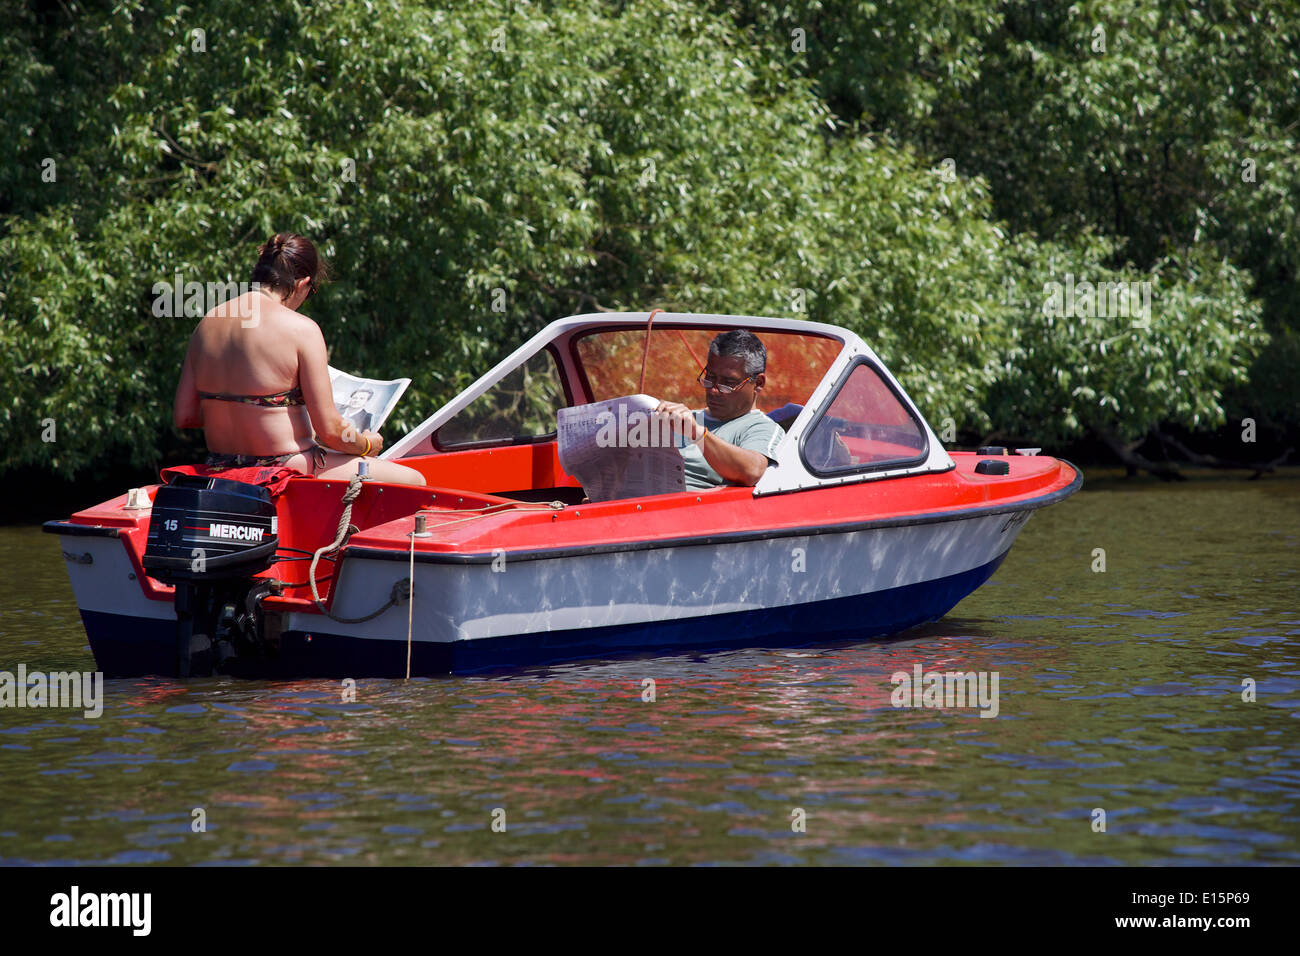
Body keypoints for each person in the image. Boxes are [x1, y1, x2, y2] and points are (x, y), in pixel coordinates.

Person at [172, 233, 426, 485]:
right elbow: (332, 432)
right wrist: (368, 443)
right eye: (312, 291)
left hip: (219, 465)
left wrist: (242, 414)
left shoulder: (206, 324)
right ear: (303, 283)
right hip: (284, 465)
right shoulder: (301, 329)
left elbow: (185, 416)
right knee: (414, 481)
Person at [655, 329, 783, 490]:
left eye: (728, 383)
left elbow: (752, 471)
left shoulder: (761, 428)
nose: (713, 390)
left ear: (758, 383)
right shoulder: (683, 420)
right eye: (710, 377)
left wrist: (698, 434)